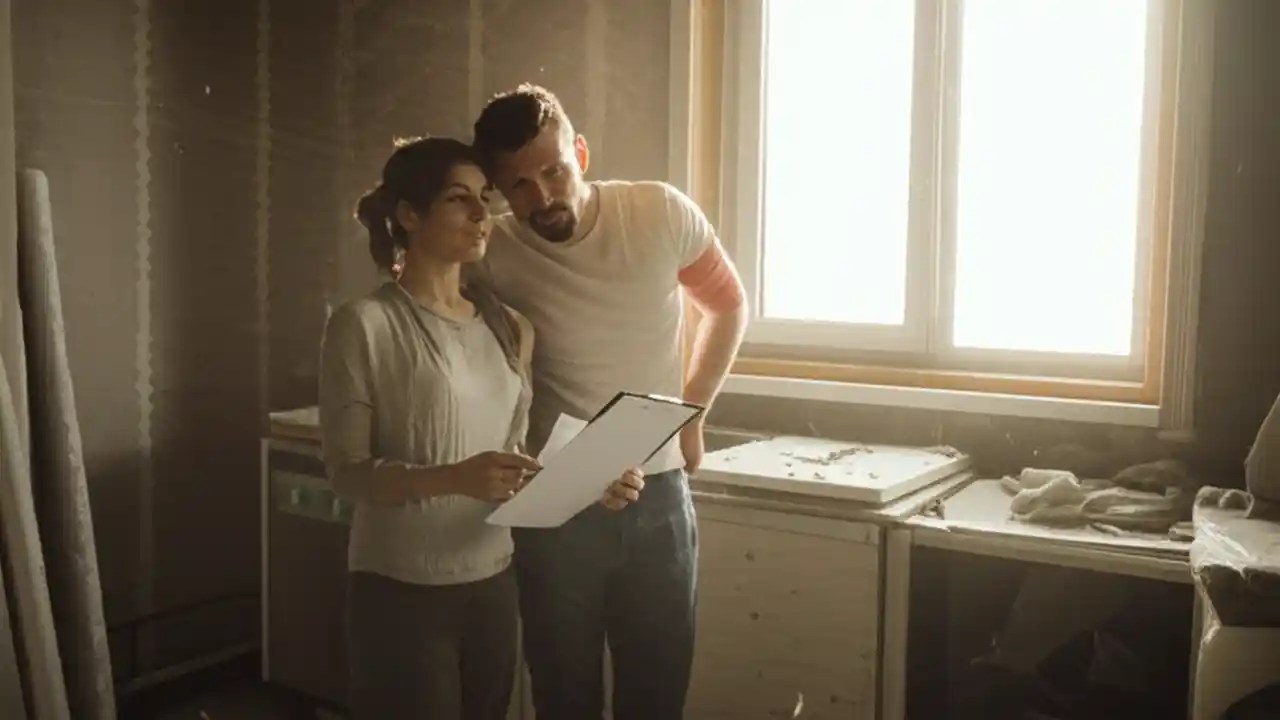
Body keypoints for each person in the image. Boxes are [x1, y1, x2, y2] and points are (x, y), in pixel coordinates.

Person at [473, 84, 749, 719]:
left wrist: (696, 412)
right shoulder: (493, 249)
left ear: (582, 153)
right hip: (558, 499)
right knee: (563, 692)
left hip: (659, 491)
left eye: (554, 171)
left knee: (657, 689)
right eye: (518, 185)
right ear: (498, 191)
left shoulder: (657, 212)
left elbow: (728, 304)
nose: (542, 198)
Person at [318, 136, 541, 719]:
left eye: (484, 199)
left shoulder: (512, 328)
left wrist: (590, 480)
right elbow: (346, 475)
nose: (480, 214)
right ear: (409, 215)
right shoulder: (363, 324)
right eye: (457, 199)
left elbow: (514, 455)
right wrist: (450, 478)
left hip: (495, 580)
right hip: (401, 589)